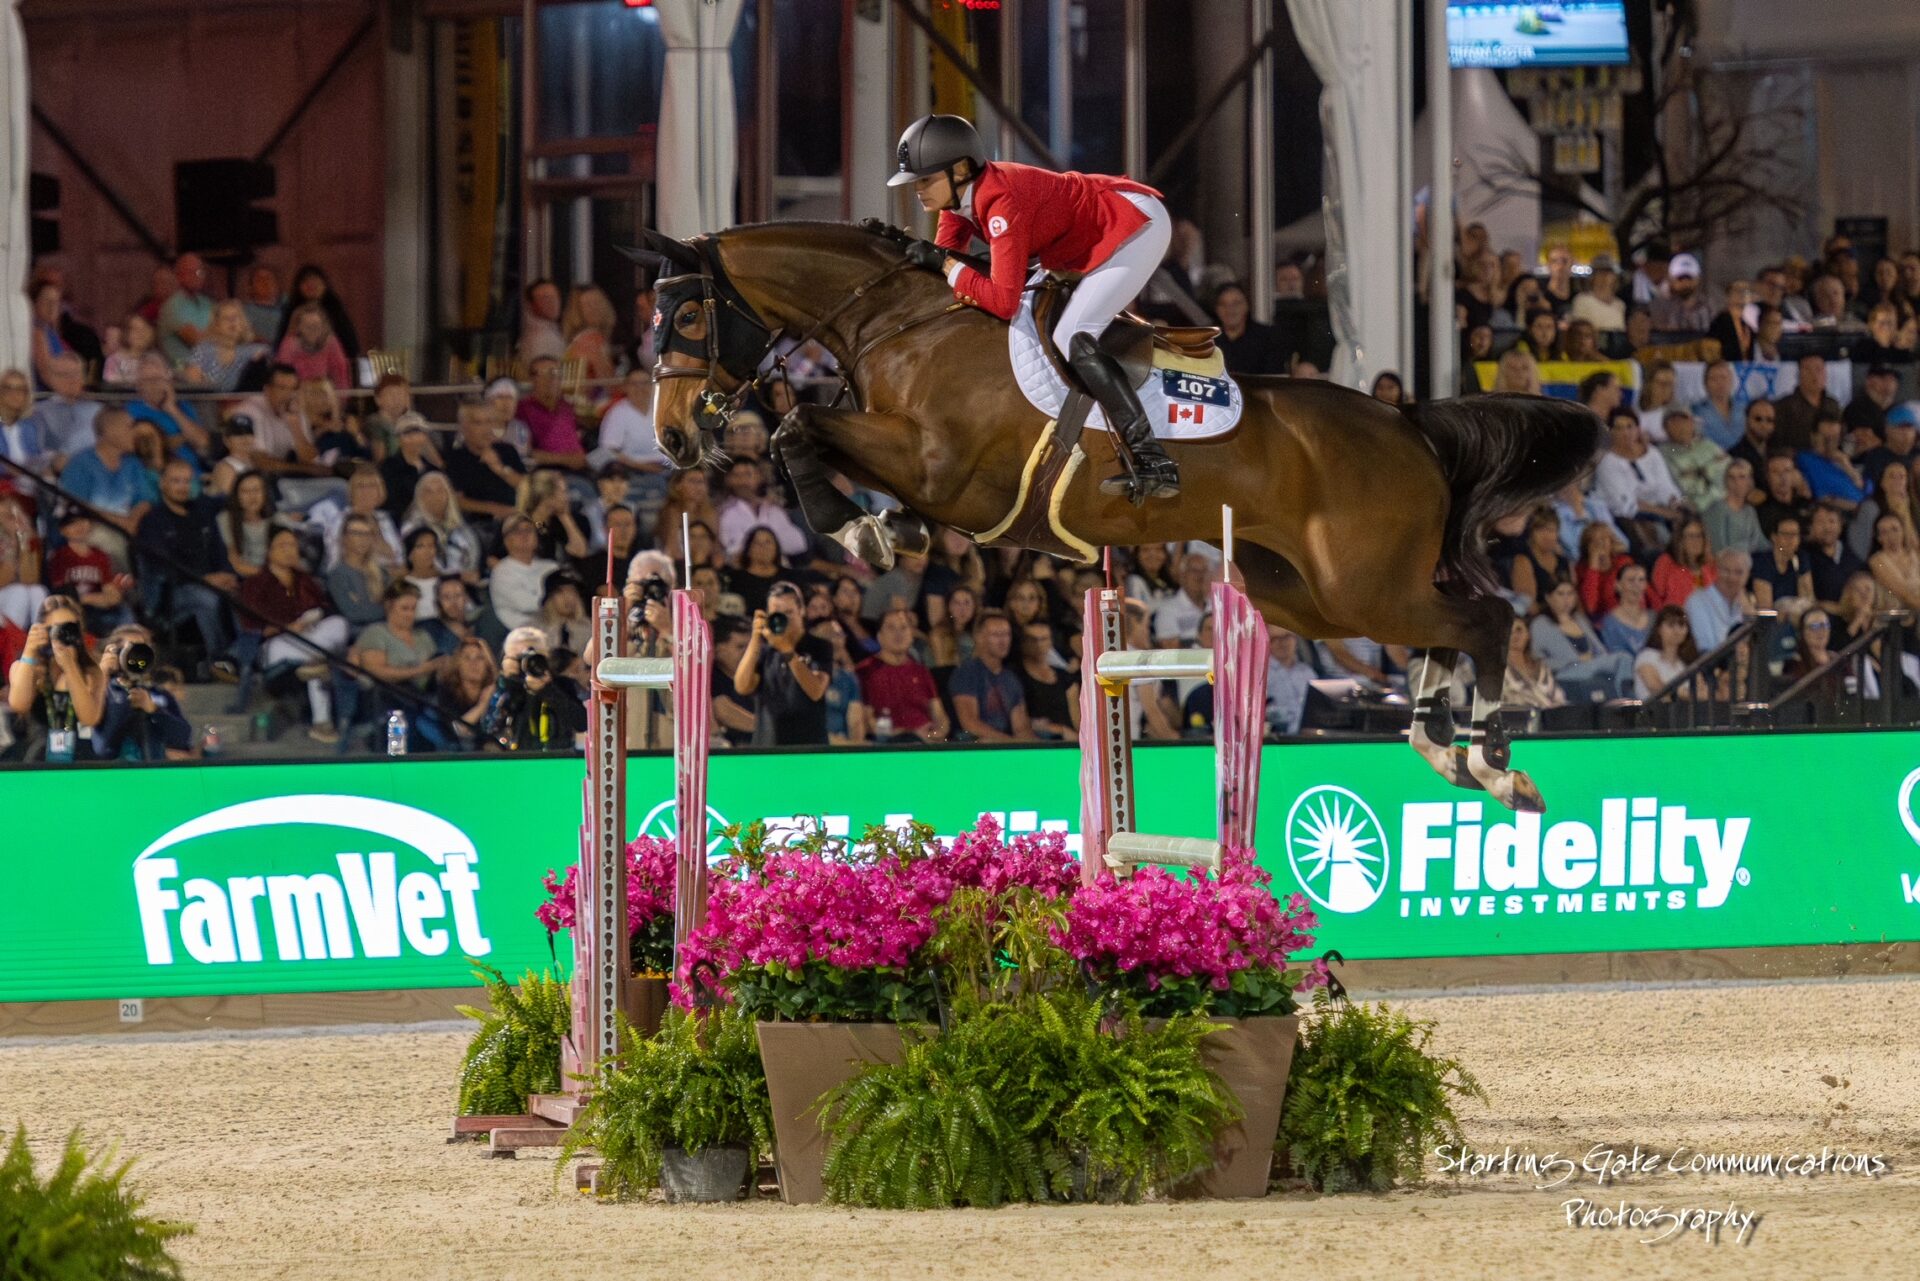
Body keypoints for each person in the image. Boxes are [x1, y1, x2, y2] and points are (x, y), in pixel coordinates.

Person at [889, 113, 1178, 499]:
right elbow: (948, 275)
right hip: (1083, 236)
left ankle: (1153, 459)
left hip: (1132, 225)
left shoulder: (1000, 200)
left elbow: (1001, 301)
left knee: (1072, 335)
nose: (917, 190)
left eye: (925, 180)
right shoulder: (958, 203)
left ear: (959, 170)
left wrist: (944, 265)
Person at [136, 458, 239, 664]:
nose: (182, 487)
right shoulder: (153, 521)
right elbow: (163, 567)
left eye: (187, 481)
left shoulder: (202, 513)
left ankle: (241, 657)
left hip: (210, 582)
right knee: (206, 598)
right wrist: (205, 579)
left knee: (241, 592)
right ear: (162, 484)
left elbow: (219, 550)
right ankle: (219, 661)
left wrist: (228, 575)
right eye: (176, 481)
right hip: (170, 593)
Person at [4, 595, 107, 761]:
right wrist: (30, 651)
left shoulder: (91, 671)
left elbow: (89, 717)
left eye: (69, 628)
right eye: (54, 628)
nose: (60, 635)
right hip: (36, 756)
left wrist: (70, 667)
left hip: (81, 757)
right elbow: (18, 704)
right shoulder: (25, 667)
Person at [732, 581, 832, 746]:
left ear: (802, 610)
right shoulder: (764, 652)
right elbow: (742, 686)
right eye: (777, 613)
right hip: (767, 748)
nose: (783, 619)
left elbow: (816, 691)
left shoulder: (819, 646)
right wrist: (756, 638)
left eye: (789, 612)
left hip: (809, 747)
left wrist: (787, 651)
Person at [59, 408, 157, 572]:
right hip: (92, 528)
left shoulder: (133, 463)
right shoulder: (80, 464)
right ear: (110, 431)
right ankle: (124, 593)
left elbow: (145, 499)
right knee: (109, 541)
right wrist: (121, 522)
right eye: (129, 427)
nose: (135, 433)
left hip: (131, 525)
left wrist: (133, 520)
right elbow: (78, 507)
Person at [1593, 409, 1687, 556]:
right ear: (1610, 431)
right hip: (1628, 517)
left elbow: (1665, 485)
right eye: (1618, 428)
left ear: (1637, 429)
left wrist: (1673, 502)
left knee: (1688, 520)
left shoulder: (1652, 453)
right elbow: (1624, 503)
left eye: (1630, 426)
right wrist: (1665, 513)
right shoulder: (1607, 462)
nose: (1625, 432)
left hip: (1661, 510)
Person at [92, 625, 193, 761]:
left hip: (152, 771)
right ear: (115, 653)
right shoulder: (104, 690)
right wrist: (104, 675)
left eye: (142, 648)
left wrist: (153, 709)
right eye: (129, 650)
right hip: (114, 772)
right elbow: (102, 746)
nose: (137, 656)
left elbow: (183, 737)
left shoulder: (158, 694)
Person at [483, 625, 585, 752]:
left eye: (533, 656)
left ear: (546, 656)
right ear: (507, 659)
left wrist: (547, 690)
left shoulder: (563, 685)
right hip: (515, 761)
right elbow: (489, 727)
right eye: (519, 658)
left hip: (557, 760)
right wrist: (508, 681)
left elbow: (582, 723)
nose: (526, 663)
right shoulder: (502, 688)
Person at [1529, 580, 1633, 703]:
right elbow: (1537, 662)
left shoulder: (1580, 619)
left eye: (1570, 594)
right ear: (1548, 598)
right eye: (1561, 594)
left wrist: (1597, 660)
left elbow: (1599, 649)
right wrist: (1575, 661)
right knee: (1622, 658)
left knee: (1625, 659)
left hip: (1592, 665)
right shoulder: (1540, 624)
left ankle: (1624, 696)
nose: (1566, 599)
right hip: (1566, 672)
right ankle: (1623, 697)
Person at [856, 608, 950, 743]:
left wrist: (934, 734)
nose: (898, 634)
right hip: (889, 744)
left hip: (926, 743)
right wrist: (905, 734)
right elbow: (865, 722)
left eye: (903, 628)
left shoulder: (921, 671)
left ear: (911, 635)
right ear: (879, 636)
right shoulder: (865, 671)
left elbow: (940, 716)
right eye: (891, 628)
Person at [948, 609, 1032, 740]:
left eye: (1006, 634)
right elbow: (970, 724)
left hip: (1007, 746)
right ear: (978, 637)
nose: (1003, 641)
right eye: (996, 635)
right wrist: (1010, 743)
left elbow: (1021, 727)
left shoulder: (1011, 679)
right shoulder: (967, 673)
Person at [489, 513, 559, 631]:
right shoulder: (501, 572)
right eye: (517, 532)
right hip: (522, 635)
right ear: (506, 541)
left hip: (559, 628)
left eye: (529, 530)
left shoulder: (551, 567)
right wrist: (556, 602)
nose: (524, 535)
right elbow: (527, 604)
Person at [517, 357, 588, 470]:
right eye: (542, 374)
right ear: (532, 379)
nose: (549, 379)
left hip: (582, 468)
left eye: (554, 373)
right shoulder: (523, 410)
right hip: (552, 472)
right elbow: (527, 452)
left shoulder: (566, 407)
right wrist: (566, 460)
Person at [186, 299, 270, 392]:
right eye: (226, 318)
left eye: (235, 317)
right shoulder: (203, 349)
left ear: (242, 322)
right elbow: (193, 382)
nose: (232, 322)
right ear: (216, 325)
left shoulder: (255, 350)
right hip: (209, 402)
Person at [1657, 407, 1730, 512]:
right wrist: (1712, 467)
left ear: (1692, 423)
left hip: (1725, 499)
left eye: (1684, 421)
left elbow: (1729, 469)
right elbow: (1684, 486)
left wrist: (1704, 471)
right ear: (1665, 428)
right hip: (1698, 507)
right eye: (1674, 422)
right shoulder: (1664, 453)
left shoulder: (1707, 444)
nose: (1680, 427)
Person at [1684, 548, 1754, 651]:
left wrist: (1749, 613)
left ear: (1747, 575)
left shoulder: (1746, 603)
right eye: (1726, 571)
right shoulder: (1697, 602)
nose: (1732, 578)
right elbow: (1706, 650)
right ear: (1716, 571)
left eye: (1739, 572)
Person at [1209, 282, 1285, 375]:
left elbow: (1273, 377)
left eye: (1236, 303)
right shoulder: (1206, 340)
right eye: (1223, 304)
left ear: (1247, 306)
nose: (1229, 309)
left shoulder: (1268, 337)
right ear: (1216, 309)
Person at [1509, 505, 1574, 613]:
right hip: (1541, 619)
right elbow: (1529, 606)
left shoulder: (1564, 561)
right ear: (1531, 532)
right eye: (1541, 530)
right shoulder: (1523, 560)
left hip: (1568, 616)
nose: (1547, 535)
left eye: (1551, 530)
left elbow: (1574, 597)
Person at [1805, 501, 1867, 609]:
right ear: (1811, 527)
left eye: (1832, 521)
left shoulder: (1852, 556)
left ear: (1840, 525)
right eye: (1820, 522)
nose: (1827, 527)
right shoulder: (1804, 556)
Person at [1750, 514, 1814, 617]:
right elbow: (1765, 609)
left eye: (1794, 534)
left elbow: (1808, 598)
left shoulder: (1801, 559)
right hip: (1774, 622)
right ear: (1774, 537)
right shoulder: (1763, 562)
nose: (1791, 539)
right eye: (1785, 534)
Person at [1772, 355, 1839, 453]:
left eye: (1818, 369)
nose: (1814, 374)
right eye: (1807, 369)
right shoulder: (1784, 405)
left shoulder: (1832, 404)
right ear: (1798, 374)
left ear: (1825, 374)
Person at [158, 253, 215, 365]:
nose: (196, 276)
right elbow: (198, 341)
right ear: (178, 276)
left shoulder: (207, 303)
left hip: (208, 366)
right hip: (182, 370)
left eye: (199, 272)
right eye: (190, 272)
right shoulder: (172, 307)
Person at [1649, 516, 1716, 610]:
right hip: (1677, 619)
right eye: (1690, 536)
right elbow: (1655, 596)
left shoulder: (1711, 564)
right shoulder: (1666, 561)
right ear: (1680, 540)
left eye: (1699, 536)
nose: (1695, 541)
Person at [1635, 606, 1701, 700]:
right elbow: (1655, 687)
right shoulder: (1646, 656)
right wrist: (1685, 694)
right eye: (1671, 625)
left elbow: (1701, 691)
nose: (1676, 630)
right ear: (1659, 629)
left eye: (1681, 625)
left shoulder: (1685, 663)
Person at [1502, 616, 1566, 711]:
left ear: (1528, 634)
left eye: (1519, 630)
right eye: (1509, 632)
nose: (1515, 635)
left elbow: (1558, 697)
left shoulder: (1541, 667)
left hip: (1551, 718)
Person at [1600, 561, 1655, 655]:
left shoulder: (1654, 618)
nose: (1637, 585)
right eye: (1631, 580)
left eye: (1641, 580)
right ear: (1618, 585)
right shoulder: (1610, 624)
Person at [1650, 253, 1712, 332]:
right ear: (1670, 279)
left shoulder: (1709, 307)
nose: (1685, 283)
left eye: (1689, 278)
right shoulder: (1659, 307)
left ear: (1697, 279)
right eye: (1680, 278)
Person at [1570, 253, 1626, 333]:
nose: (1604, 276)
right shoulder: (1582, 301)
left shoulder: (1620, 305)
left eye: (1608, 272)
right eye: (1600, 272)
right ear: (1592, 277)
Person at [1706, 279, 1756, 362]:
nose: (1742, 294)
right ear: (1728, 295)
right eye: (1738, 291)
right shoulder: (1719, 322)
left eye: (1746, 291)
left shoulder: (1748, 326)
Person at [517, 279, 566, 364]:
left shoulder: (555, 330)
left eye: (555, 297)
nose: (553, 302)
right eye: (545, 299)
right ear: (531, 305)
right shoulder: (539, 338)